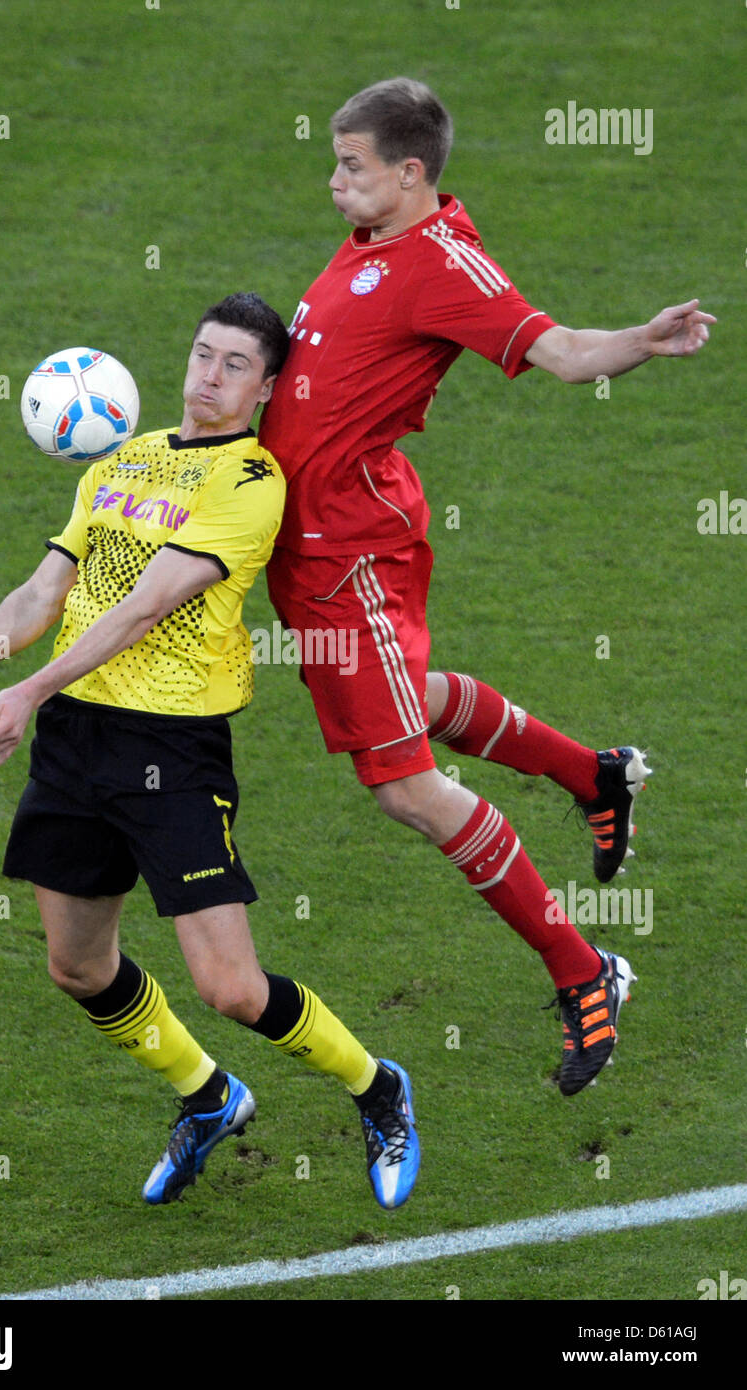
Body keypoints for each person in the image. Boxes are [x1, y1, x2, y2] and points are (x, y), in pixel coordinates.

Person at [0, 293, 420, 1211]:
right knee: (77, 967)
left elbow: (144, 608)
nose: (208, 378)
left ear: (266, 385)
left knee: (232, 987)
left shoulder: (251, 482)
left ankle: (379, 1087)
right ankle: (209, 1097)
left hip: (171, 748)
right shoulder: (122, 458)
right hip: (75, 742)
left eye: (233, 365)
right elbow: (46, 588)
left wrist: (30, 686)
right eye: (201, 355)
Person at [257, 79, 715, 1101]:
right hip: (312, 550)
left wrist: (637, 342)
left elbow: (555, 353)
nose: (334, 182)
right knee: (404, 709)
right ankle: (595, 776)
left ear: (409, 173)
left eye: (351, 166)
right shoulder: (369, 242)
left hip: (353, 556)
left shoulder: (438, 261)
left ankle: (583, 969)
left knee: (404, 785)